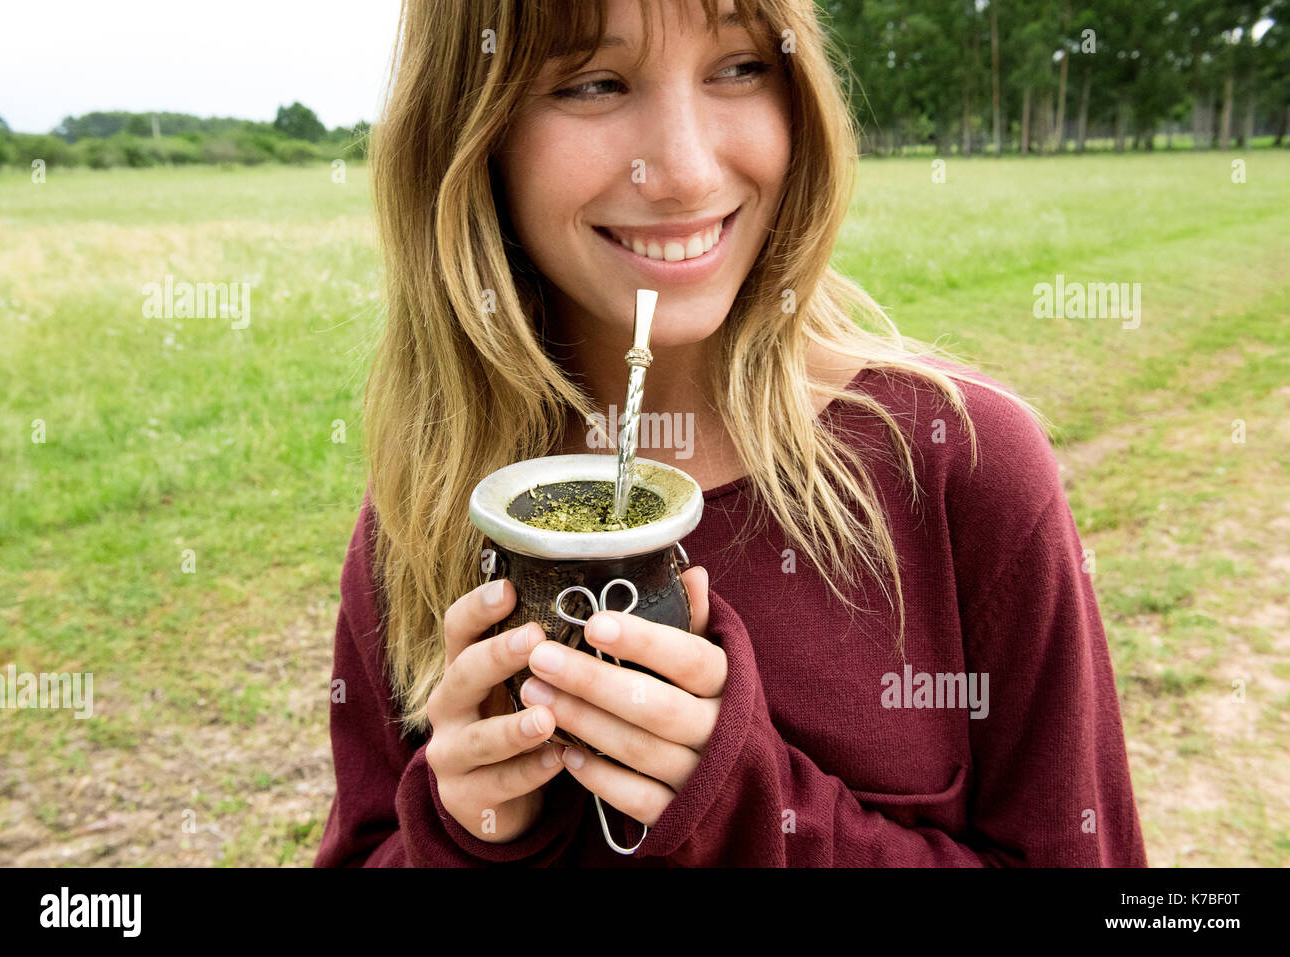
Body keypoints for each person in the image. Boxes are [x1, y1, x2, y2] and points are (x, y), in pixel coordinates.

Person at [313, 0, 1148, 866]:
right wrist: (463, 834)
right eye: (594, 83)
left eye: (740, 67)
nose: (682, 170)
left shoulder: (963, 467)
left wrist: (752, 810)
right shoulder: (434, 500)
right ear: (469, 135)